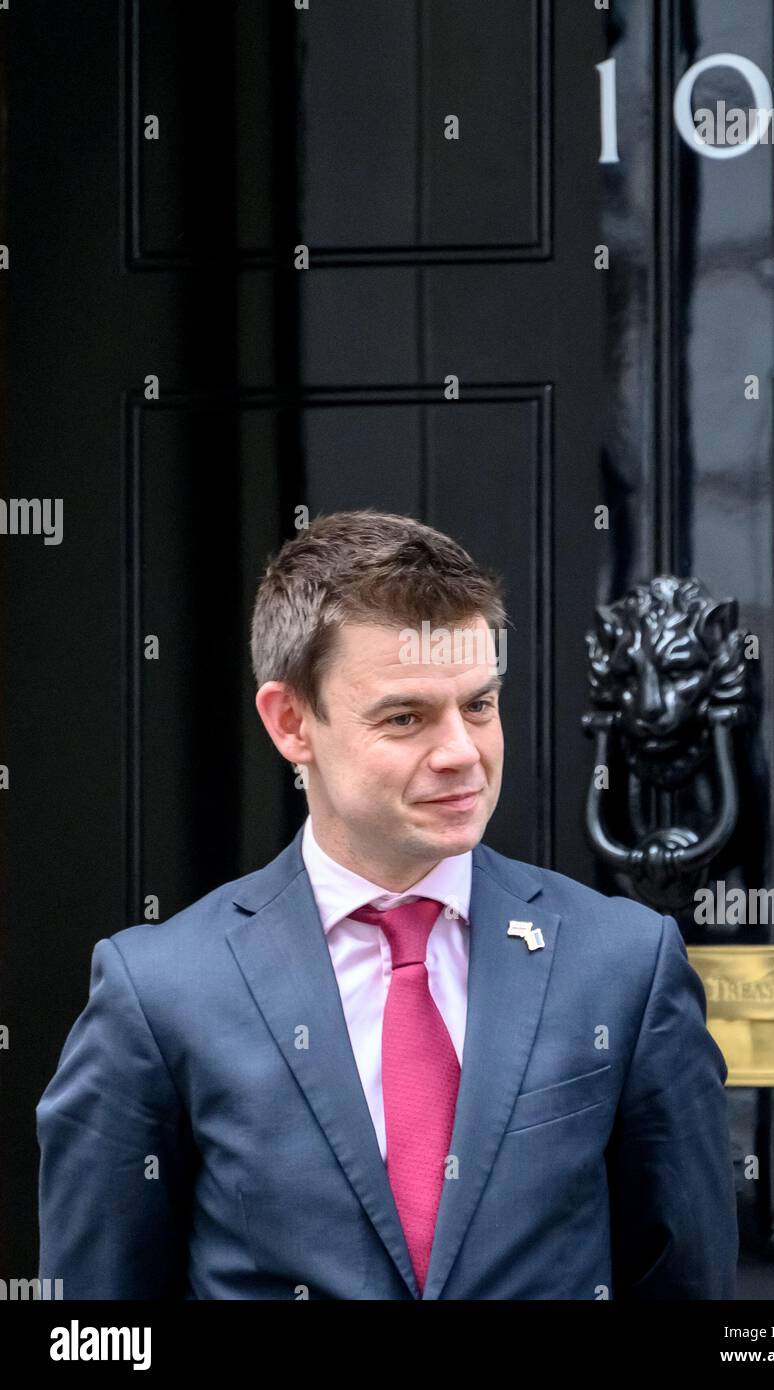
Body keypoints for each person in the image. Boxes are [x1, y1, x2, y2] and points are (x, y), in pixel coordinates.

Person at [36, 509, 738, 1299]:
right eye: (406, 717)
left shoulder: (622, 964)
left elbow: (689, 1283)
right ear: (290, 722)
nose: (461, 754)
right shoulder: (159, 991)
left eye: (478, 705)